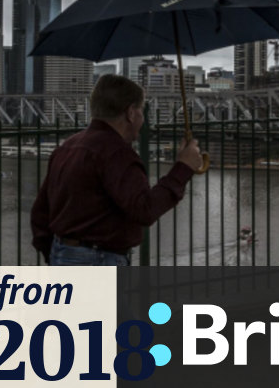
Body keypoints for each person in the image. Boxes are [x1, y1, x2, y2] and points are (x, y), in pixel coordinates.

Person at [30, 74, 203, 265]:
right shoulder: (117, 154)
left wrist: (57, 254)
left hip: (62, 254)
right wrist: (183, 168)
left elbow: (40, 214)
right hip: (99, 260)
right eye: (141, 111)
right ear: (130, 113)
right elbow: (145, 209)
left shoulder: (67, 147)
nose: (142, 119)